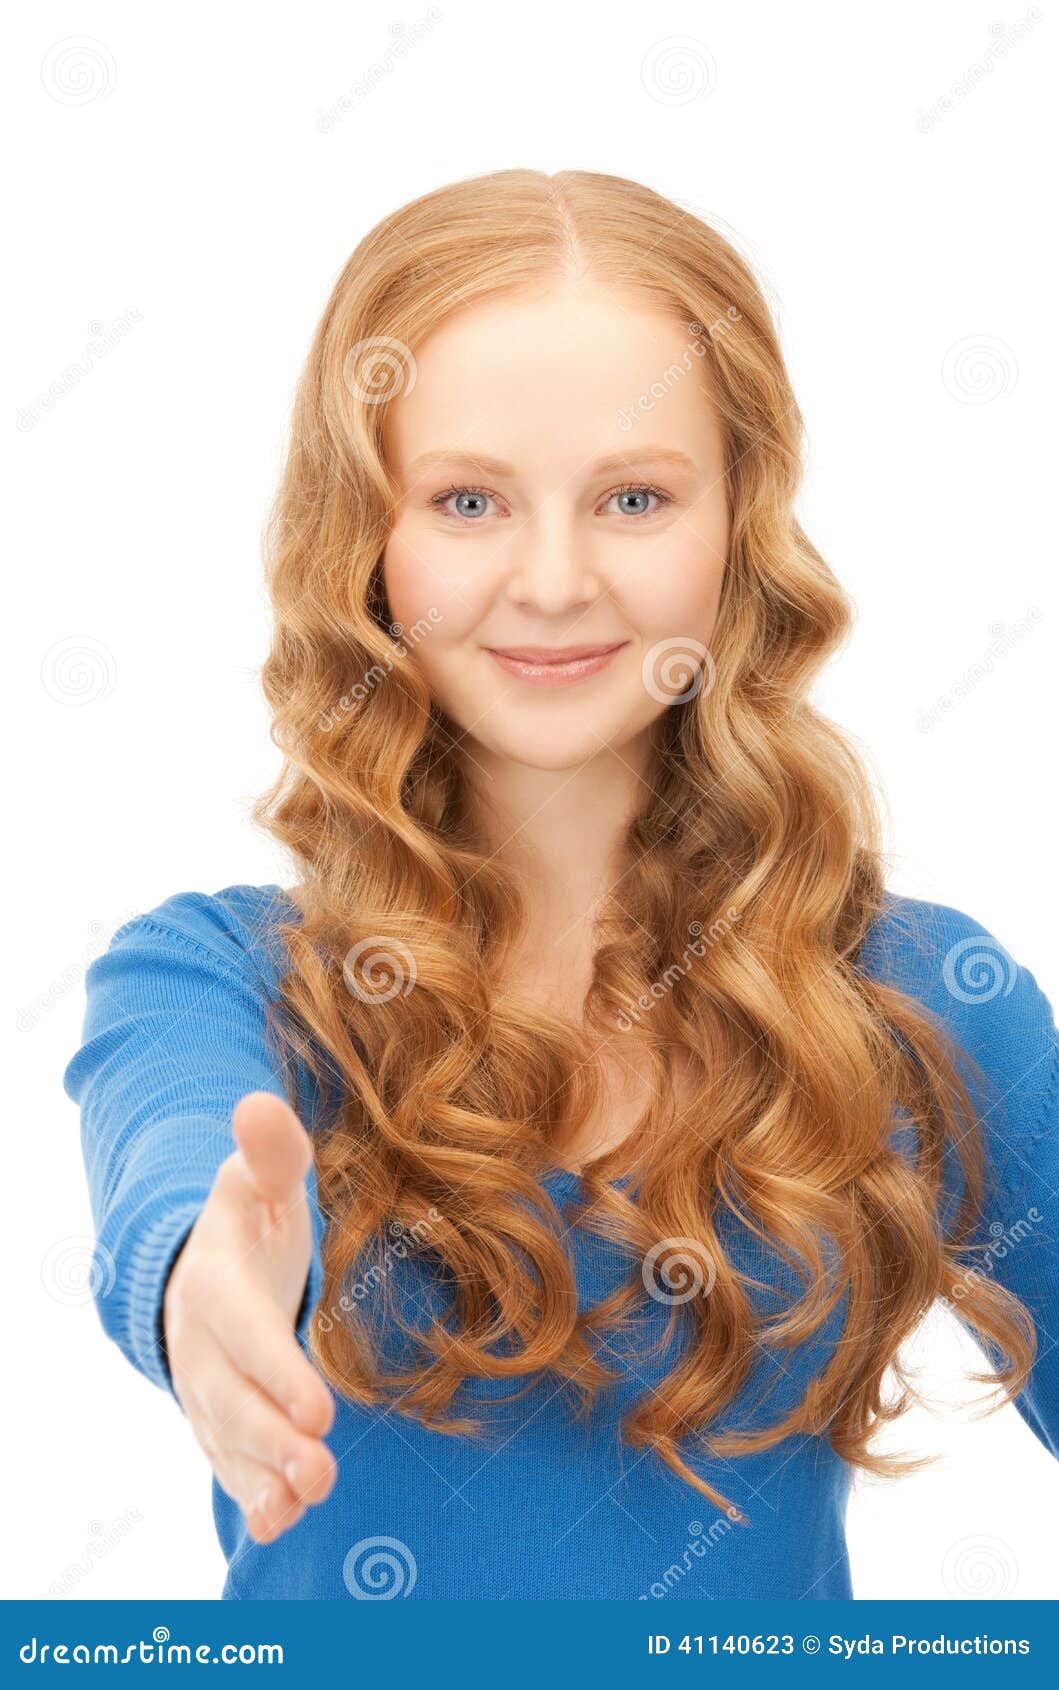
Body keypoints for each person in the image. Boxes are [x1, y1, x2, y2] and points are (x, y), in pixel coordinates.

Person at [63, 169, 1059, 1601]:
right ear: (372, 542)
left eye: (635, 498)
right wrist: (203, 1286)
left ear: (741, 528)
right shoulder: (218, 979)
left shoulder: (918, 1001)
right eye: (467, 499)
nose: (550, 578)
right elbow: (177, 1175)